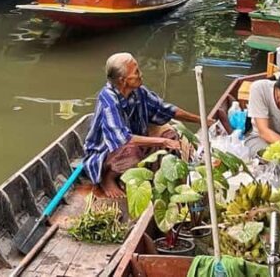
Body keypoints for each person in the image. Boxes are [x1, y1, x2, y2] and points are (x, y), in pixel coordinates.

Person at [82, 52, 211, 198]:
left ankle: (155, 175)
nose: (141, 74)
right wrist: (163, 141)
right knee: (132, 150)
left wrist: (201, 120)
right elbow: (123, 139)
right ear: (123, 80)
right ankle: (108, 178)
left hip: (136, 141)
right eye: (136, 72)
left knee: (171, 135)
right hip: (105, 153)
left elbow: (165, 110)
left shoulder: (139, 91)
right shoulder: (108, 98)